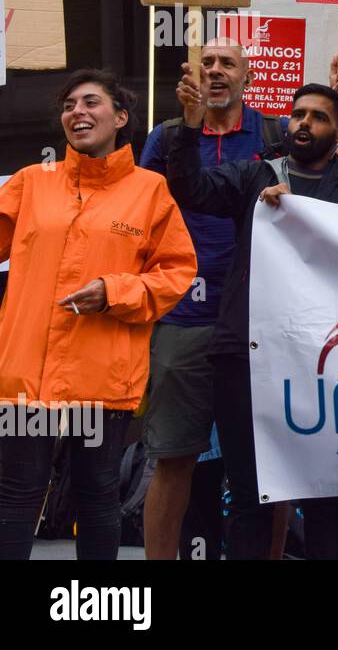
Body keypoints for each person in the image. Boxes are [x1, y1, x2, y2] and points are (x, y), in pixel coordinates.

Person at [139, 41, 338, 560]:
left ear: (337, 134)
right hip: (241, 351)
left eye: (317, 117)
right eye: (296, 114)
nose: (302, 123)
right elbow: (190, 189)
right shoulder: (255, 176)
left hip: (321, 358)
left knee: (322, 495)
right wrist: (190, 123)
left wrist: (304, 207)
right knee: (246, 491)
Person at [0, 70, 196, 560]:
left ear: (121, 117)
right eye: (69, 105)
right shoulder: (30, 182)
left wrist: (115, 291)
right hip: (27, 372)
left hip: (102, 372)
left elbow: (176, 272)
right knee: (17, 493)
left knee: (96, 497)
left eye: (91, 102)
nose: (77, 112)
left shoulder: (150, 190)